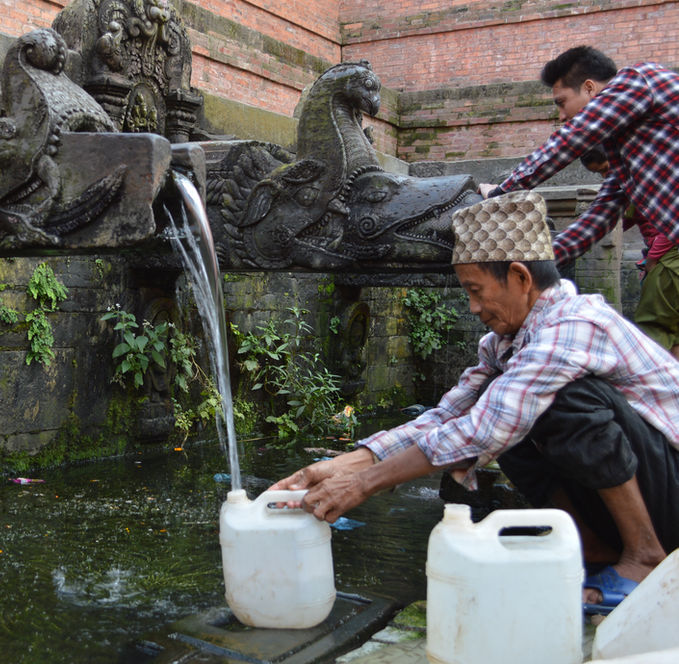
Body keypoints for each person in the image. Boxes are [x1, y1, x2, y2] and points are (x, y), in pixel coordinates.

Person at [272, 190, 679, 615]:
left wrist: (362, 485)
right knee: (508, 411)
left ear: (521, 278)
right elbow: (450, 416)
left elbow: (484, 429)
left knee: (565, 400)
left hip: (671, 484)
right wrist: (343, 464)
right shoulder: (504, 343)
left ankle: (644, 557)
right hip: (652, 489)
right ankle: (592, 552)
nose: (473, 307)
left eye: (476, 290)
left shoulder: (574, 326)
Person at [486, 46, 679, 268]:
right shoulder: (622, 147)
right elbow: (599, 217)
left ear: (589, 88)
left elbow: (571, 139)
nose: (562, 116)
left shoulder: (637, 80)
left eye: (562, 102)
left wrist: (500, 192)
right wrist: (537, 266)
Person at [579, 145, 679, 359]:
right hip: (666, 255)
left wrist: (653, 260)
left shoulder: (650, 179)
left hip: (669, 258)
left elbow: (672, 225)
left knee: (656, 327)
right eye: (601, 174)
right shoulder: (635, 183)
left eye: (606, 170)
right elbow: (630, 217)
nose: (606, 178)